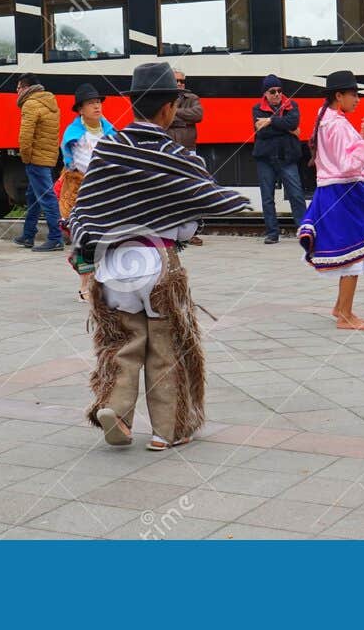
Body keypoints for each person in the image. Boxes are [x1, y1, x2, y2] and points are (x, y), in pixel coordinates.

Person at [68, 61, 248, 451]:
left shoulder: (109, 149)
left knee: (122, 343)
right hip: (158, 265)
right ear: (169, 108)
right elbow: (190, 222)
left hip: (114, 267)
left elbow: (85, 209)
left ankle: (114, 407)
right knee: (166, 347)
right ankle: (168, 430)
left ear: (133, 106)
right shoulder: (176, 155)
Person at [299, 70, 364, 331]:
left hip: (334, 191)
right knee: (353, 253)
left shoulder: (327, 120)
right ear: (338, 96)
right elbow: (345, 165)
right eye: (353, 95)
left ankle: (341, 307)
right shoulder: (338, 124)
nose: (358, 100)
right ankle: (345, 314)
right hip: (344, 192)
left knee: (351, 251)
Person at [252, 74, 308, 245]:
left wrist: (270, 120)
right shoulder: (256, 108)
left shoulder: (292, 105)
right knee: (267, 197)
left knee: (296, 194)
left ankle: (304, 230)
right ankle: (272, 233)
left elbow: (294, 122)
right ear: (265, 94)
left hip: (287, 156)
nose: (277, 94)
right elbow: (263, 132)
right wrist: (287, 128)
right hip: (265, 158)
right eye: (272, 91)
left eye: (279, 91)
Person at [59, 83, 117, 227]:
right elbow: (82, 164)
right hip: (85, 189)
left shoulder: (109, 131)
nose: (97, 106)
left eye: (98, 102)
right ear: (80, 109)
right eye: (91, 103)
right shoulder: (75, 134)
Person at [13, 76, 61, 251]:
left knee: (47, 198)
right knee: (32, 197)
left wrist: (25, 157)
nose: (17, 91)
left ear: (26, 88)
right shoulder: (50, 102)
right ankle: (28, 235)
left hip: (36, 158)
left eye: (18, 88)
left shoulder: (30, 104)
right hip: (48, 156)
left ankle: (56, 238)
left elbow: (25, 136)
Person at [171, 70, 206, 245]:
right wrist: (185, 118)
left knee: (192, 191)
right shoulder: (163, 98)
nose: (179, 84)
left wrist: (174, 113)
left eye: (182, 81)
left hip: (188, 150)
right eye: (176, 80)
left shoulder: (192, 97)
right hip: (169, 151)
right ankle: (173, 231)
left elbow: (198, 115)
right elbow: (161, 120)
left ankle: (192, 232)